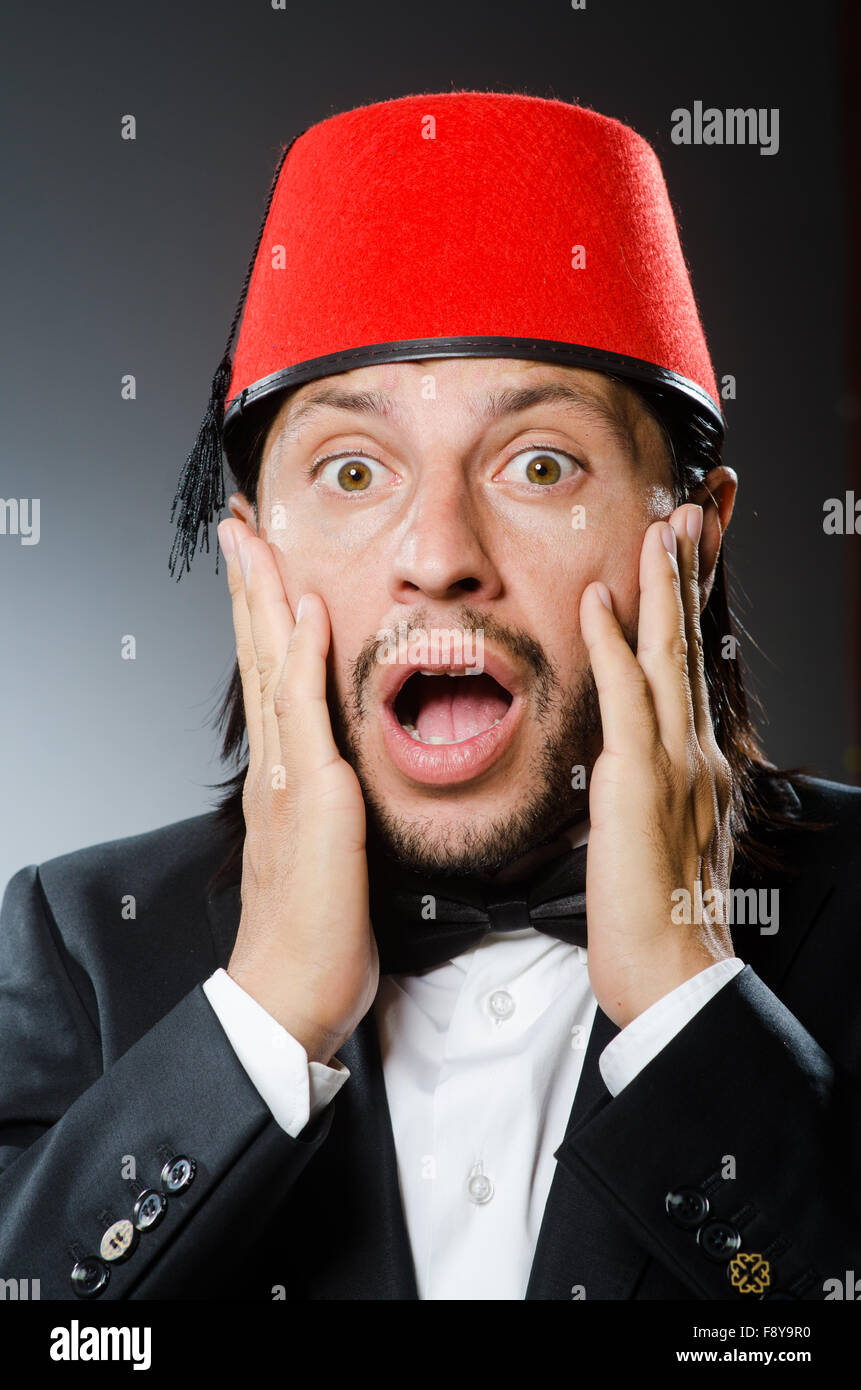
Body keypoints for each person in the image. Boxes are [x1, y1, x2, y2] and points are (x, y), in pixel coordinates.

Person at [1, 89, 858, 1302]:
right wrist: (257, 1027)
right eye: (353, 470)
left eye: (540, 463)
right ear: (254, 555)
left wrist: (686, 1005)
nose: (440, 548)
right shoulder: (79, 944)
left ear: (694, 539)